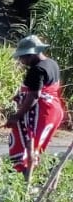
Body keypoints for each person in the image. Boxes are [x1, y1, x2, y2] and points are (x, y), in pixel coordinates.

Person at [8, 35, 65, 174]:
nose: (22, 61)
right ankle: (36, 173)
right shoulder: (51, 63)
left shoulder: (37, 70)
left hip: (42, 112)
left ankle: (28, 175)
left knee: (29, 143)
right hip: (54, 110)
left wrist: (17, 115)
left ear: (31, 54)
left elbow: (34, 95)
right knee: (38, 145)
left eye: (23, 57)